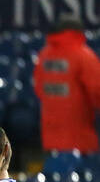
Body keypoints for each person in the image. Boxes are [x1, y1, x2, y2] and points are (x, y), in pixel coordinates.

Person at [33, 14, 100, 154]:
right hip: (79, 136)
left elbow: (39, 89)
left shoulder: (44, 55)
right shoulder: (84, 55)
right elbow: (97, 90)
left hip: (50, 136)